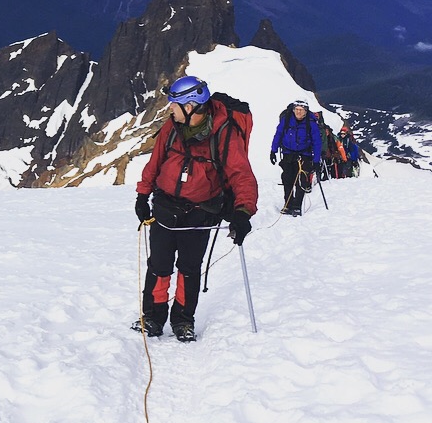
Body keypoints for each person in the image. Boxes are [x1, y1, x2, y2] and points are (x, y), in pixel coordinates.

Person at [133, 75, 258, 342]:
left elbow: (242, 176)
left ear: (190, 107)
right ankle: (153, 318)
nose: (169, 109)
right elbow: (155, 163)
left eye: (174, 104)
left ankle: (183, 321)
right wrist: (143, 195)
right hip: (165, 207)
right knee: (159, 265)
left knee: (189, 268)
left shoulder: (224, 134)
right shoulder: (172, 128)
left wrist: (242, 212)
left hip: (201, 212)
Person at [269, 100, 322, 216]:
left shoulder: (311, 123)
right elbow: (278, 134)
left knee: (301, 181)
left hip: (305, 155)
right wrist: (273, 150)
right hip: (288, 154)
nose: (298, 112)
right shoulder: (287, 119)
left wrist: (316, 160)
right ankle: (288, 204)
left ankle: (297, 206)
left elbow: (317, 142)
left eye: (301, 110)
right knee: (287, 179)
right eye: (296, 109)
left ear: (305, 111)